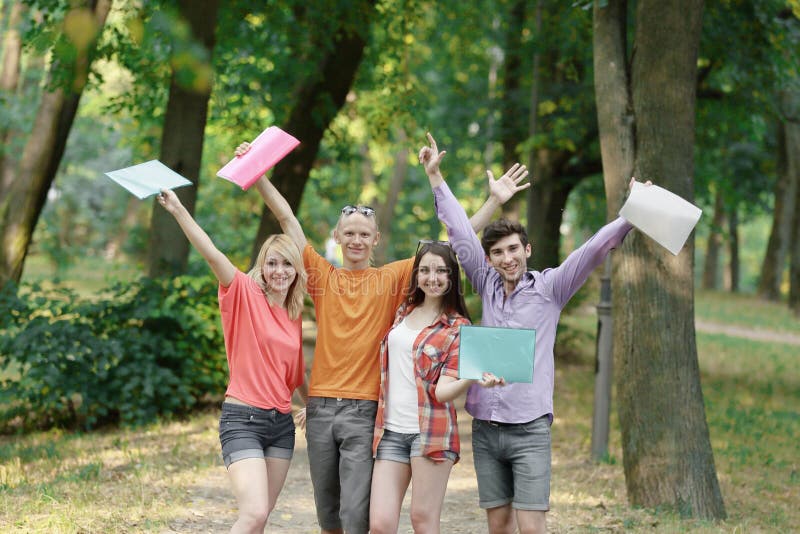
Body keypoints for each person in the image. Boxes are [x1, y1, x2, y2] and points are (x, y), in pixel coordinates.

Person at [235, 139, 512, 534]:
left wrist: (493, 202)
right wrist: (256, 171)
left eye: (365, 234)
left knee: (356, 516)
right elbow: (286, 218)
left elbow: (450, 245)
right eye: (349, 233)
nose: (356, 240)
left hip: (365, 411)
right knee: (328, 514)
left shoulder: (391, 278)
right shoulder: (321, 277)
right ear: (337, 236)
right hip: (320, 410)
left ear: (375, 239)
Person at [419, 132, 643, 534]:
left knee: (532, 525)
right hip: (486, 426)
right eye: (498, 252)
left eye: (513, 249)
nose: (507, 258)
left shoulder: (551, 289)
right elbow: (459, 234)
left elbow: (592, 249)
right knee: (499, 524)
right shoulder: (485, 282)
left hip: (529, 427)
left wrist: (630, 214)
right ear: (489, 259)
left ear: (528, 250)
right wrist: (436, 179)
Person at [156, 189, 307, 534]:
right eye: (272, 262)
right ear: (262, 266)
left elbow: (296, 375)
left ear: (297, 270)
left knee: (261, 520)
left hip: (281, 426)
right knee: (253, 514)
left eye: (287, 263)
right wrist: (179, 209)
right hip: (244, 419)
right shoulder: (243, 292)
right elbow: (210, 252)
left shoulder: (295, 314)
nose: (279, 270)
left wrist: (312, 405)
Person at [369, 241, 504, 534]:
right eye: (426, 270)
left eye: (441, 271)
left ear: (451, 277)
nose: (433, 277)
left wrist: (471, 375)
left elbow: (442, 392)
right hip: (390, 432)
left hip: (430, 434)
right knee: (379, 524)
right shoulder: (403, 311)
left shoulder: (458, 327)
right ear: (416, 274)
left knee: (423, 520)